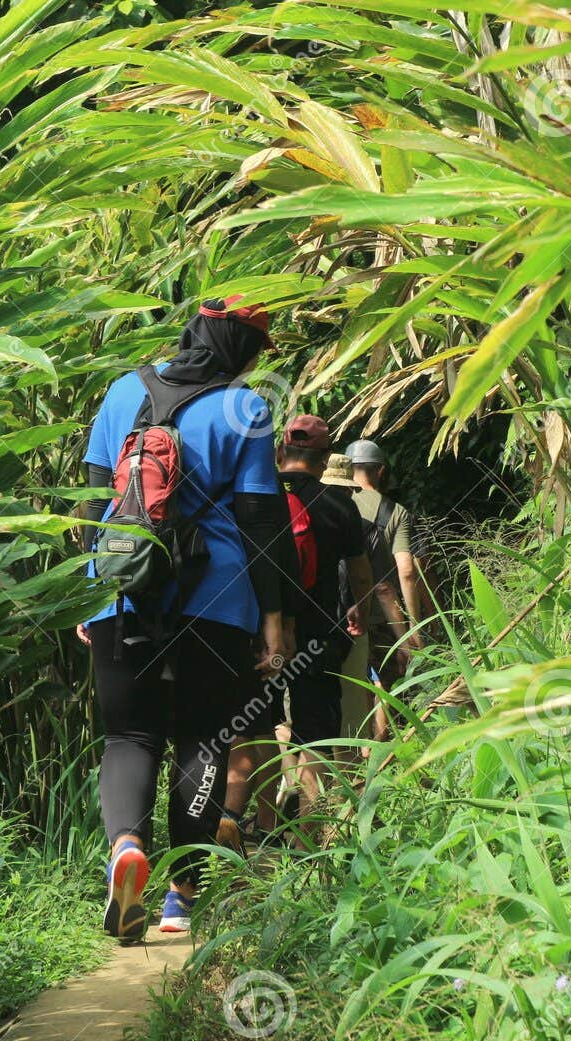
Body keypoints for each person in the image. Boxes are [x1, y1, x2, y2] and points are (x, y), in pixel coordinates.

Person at [77, 296, 292, 942]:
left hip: (121, 588)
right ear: (242, 350)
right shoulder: (245, 409)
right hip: (216, 598)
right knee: (203, 739)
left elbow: (91, 500)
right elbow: (260, 521)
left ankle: (126, 847)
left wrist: (88, 591)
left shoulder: (123, 390)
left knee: (128, 735)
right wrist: (274, 618)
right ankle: (179, 898)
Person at [264, 417, 374, 838]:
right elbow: (360, 573)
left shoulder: (255, 496)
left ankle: (262, 825)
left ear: (280, 452)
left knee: (263, 725)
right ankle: (307, 837)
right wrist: (360, 610)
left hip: (263, 636)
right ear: (326, 459)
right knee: (316, 734)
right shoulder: (338, 505)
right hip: (317, 638)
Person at [318, 453, 408, 745]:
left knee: (301, 713)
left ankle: (301, 771)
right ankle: (370, 757)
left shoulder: (297, 520)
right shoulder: (364, 528)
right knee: (364, 697)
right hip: (353, 627)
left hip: (305, 627)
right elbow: (385, 586)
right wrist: (404, 640)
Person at [346, 439, 432, 739]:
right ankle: (378, 751)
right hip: (380, 615)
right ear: (380, 470)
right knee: (385, 682)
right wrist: (412, 630)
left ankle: (353, 751)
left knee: (352, 682)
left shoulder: (334, 504)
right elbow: (406, 571)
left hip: (337, 611)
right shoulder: (394, 512)